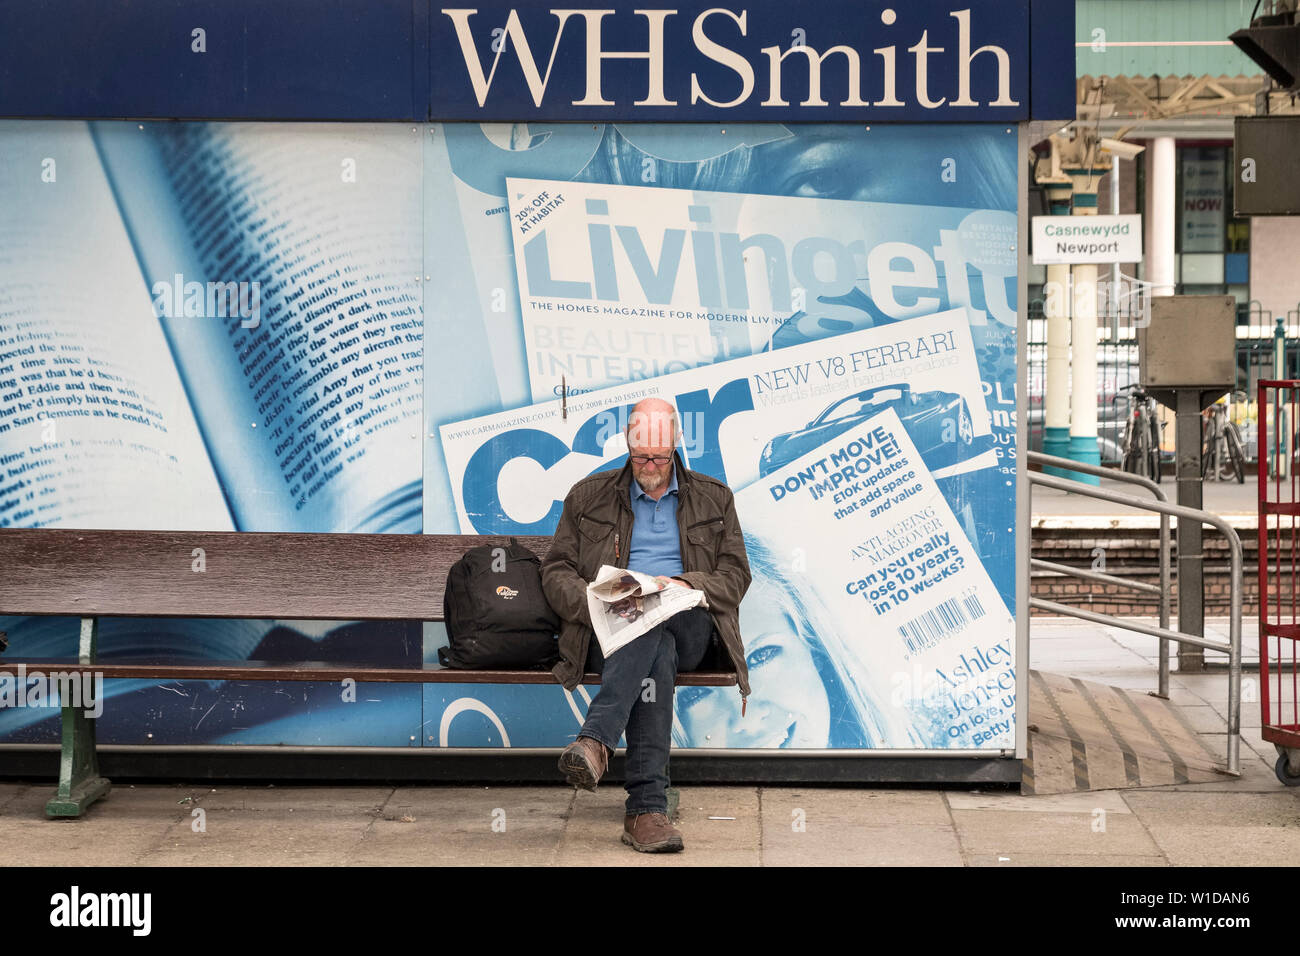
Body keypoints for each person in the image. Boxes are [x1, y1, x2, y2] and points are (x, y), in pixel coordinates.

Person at [542, 397, 751, 853]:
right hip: (608, 630)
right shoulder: (588, 496)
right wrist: (597, 602)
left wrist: (684, 584)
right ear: (627, 444)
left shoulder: (714, 498)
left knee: (659, 625)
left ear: (676, 443)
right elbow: (555, 571)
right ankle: (646, 810)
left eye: (659, 457)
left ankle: (595, 741)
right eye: (640, 458)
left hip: (689, 623)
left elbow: (735, 576)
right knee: (655, 645)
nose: (650, 467)